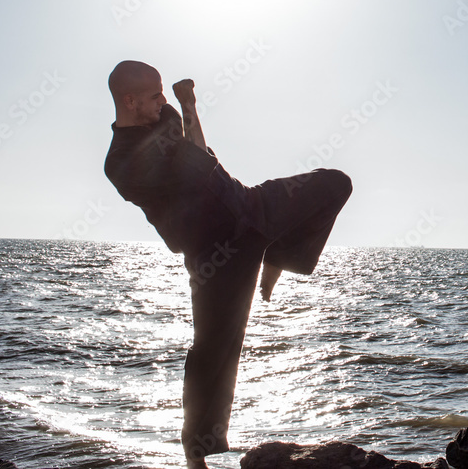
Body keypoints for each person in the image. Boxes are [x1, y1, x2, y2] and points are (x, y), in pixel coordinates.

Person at [103, 61, 351, 468]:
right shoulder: (123, 162)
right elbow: (198, 170)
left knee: (335, 183)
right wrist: (190, 106)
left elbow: (204, 159)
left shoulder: (166, 115)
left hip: (249, 205)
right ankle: (195, 453)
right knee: (215, 350)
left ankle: (278, 255)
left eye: (163, 93)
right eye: (154, 96)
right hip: (215, 252)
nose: (162, 101)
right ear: (129, 101)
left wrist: (183, 110)